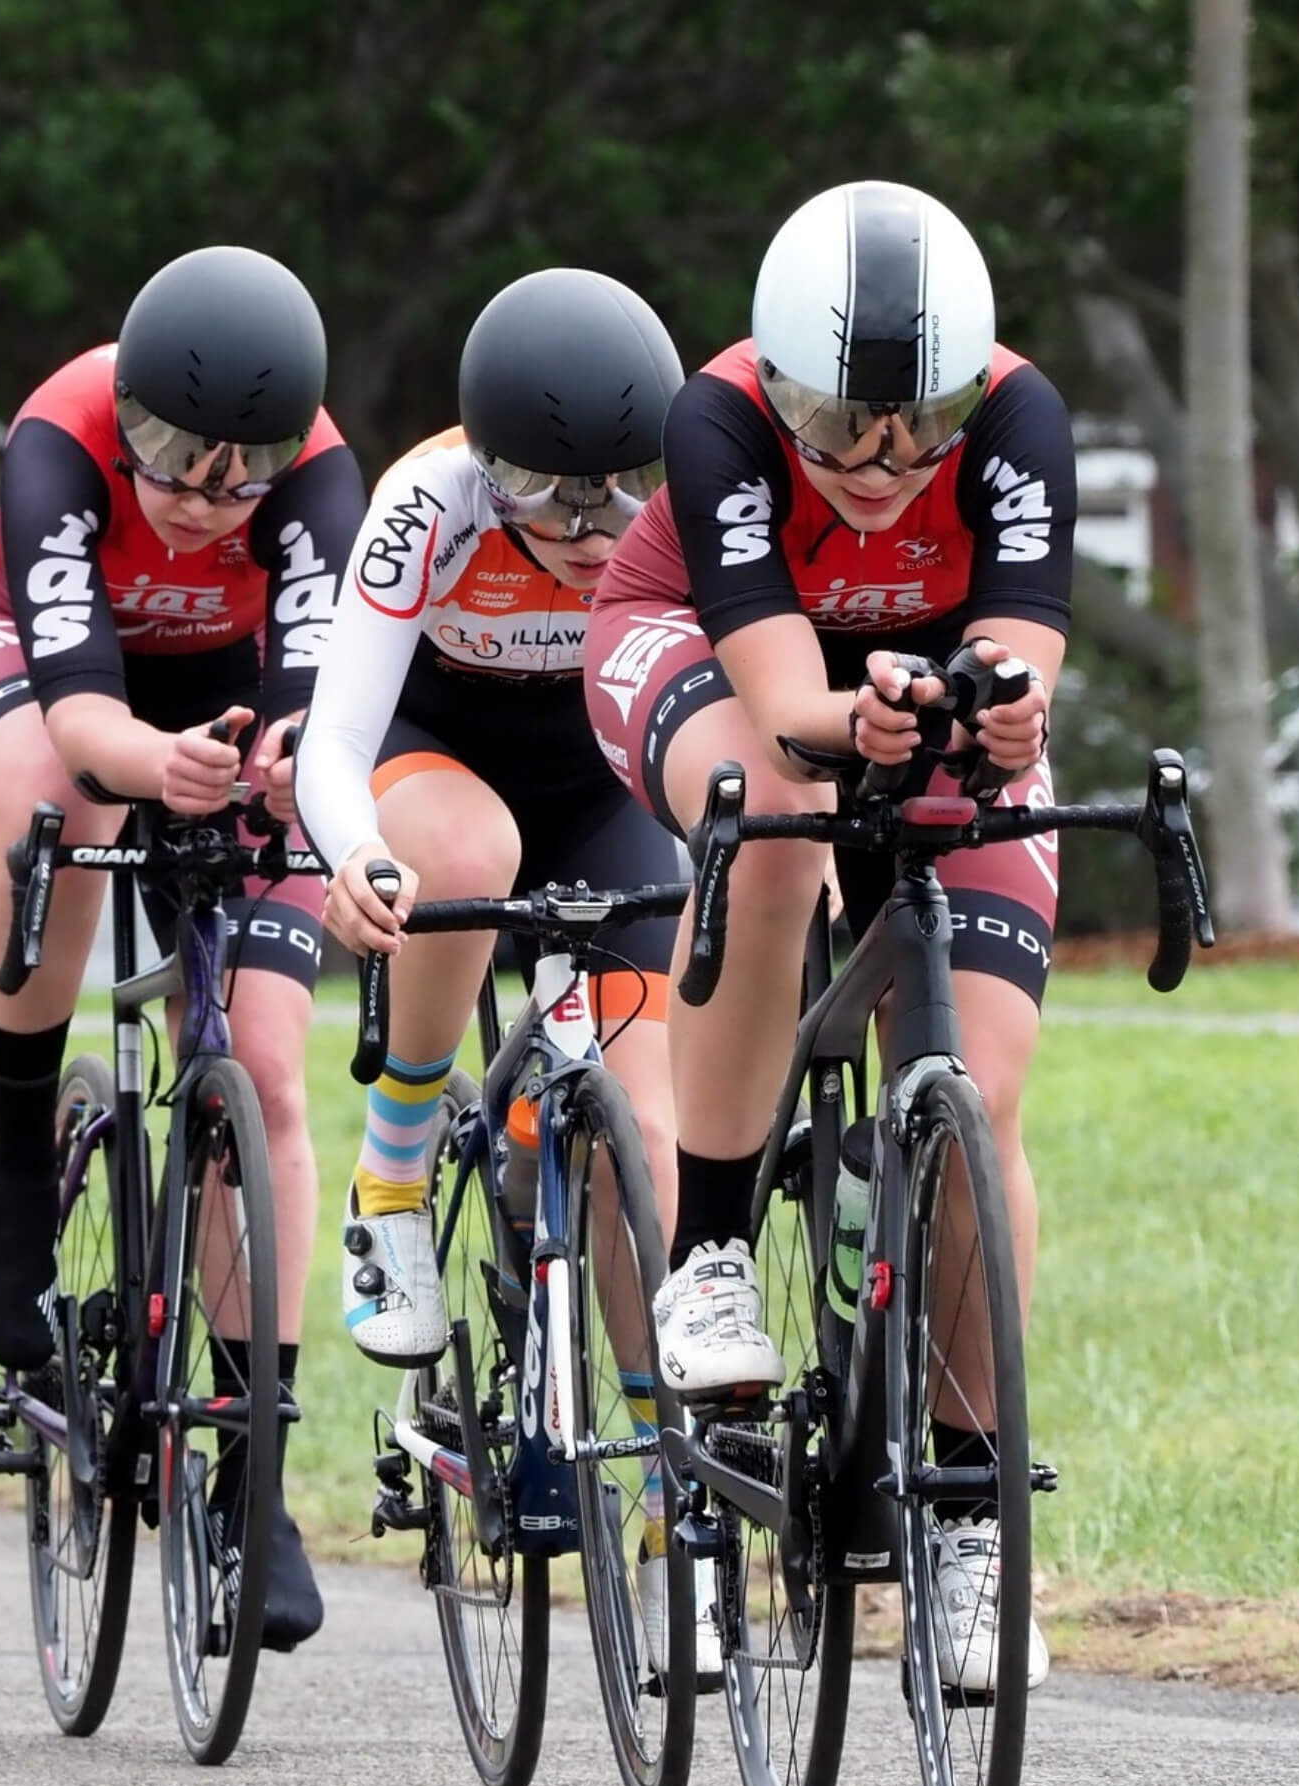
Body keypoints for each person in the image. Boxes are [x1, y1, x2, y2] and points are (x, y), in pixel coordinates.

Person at [582, 182, 1074, 1692]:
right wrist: (842, 722)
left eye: (914, 425)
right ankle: (714, 1249)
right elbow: (786, 685)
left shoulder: (1022, 417)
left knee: (979, 1106)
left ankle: (976, 1524)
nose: (877, 463)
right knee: (778, 806)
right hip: (715, 651)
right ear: (776, 388)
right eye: (836, 423)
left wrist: (998, 715)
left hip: (916, 671)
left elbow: (1024, 659)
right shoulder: (717, 419)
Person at [0, 245, 367, 1651]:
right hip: (48, 672)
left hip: (225, 691)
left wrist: (287, 771)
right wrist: (146, 760)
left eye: (246, 472)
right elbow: (75, 708)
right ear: (131, 417)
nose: (203, 498)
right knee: (60, 808)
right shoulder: (63, 432)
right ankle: (14, 1146)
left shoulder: (320, 480)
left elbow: (312, 696)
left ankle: (257, 1470)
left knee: (273, 1079)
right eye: (173, 462)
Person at [294, 268, 708, 1673]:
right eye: (550, 495)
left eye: (621, 492)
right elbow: (331, 743)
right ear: (488, 466)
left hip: (602, 771)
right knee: (461, 853)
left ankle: (669, 1473)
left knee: (643, 1128)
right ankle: (397, 1158)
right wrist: (356, 856)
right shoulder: (427, 503)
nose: (591, 532)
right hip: (441, 751)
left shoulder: (690, 499)